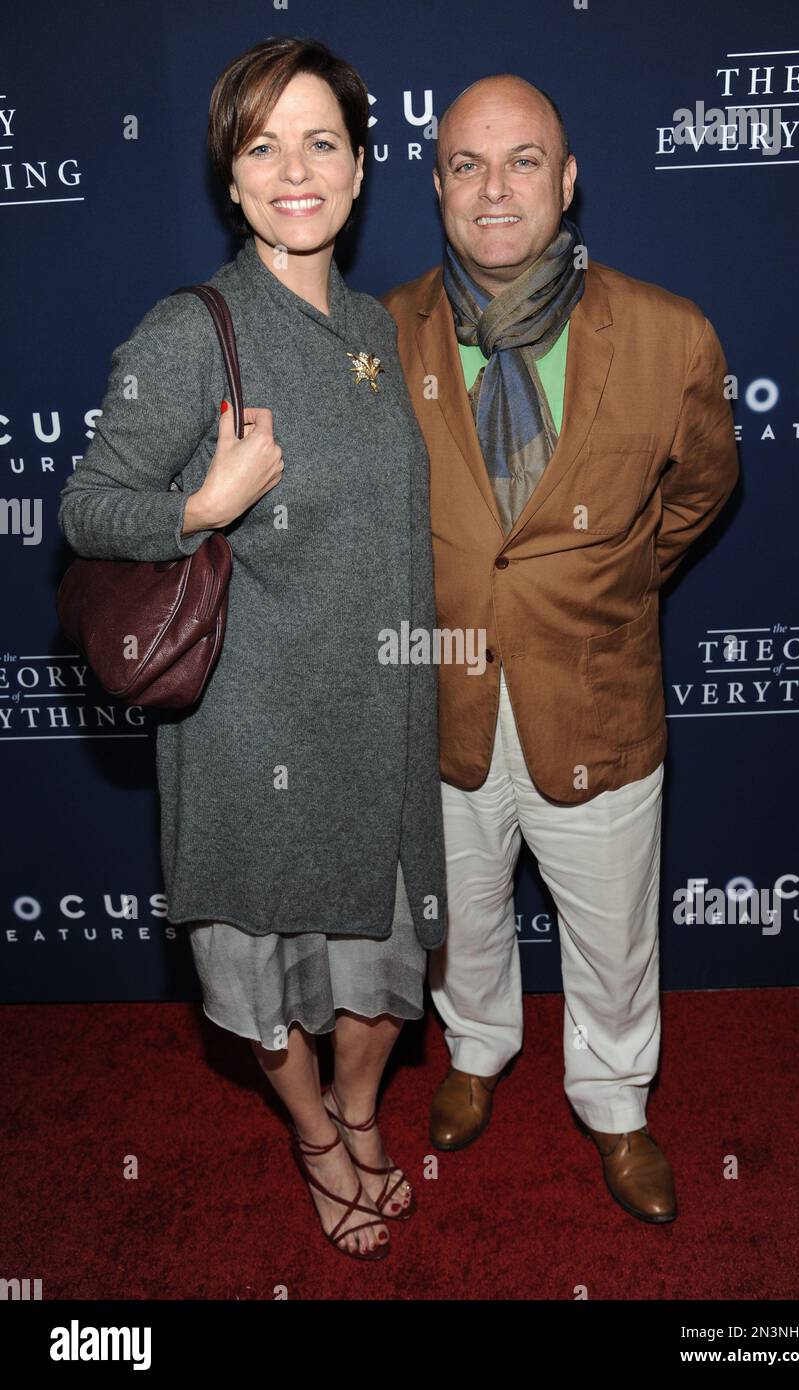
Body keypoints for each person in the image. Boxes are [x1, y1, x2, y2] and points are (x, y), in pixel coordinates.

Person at [58, 37, 447, 1260]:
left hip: (378, 728)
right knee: (268, 991)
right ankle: (316, 1138)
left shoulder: (377, 326)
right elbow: (85, 506)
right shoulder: (193, 330)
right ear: (231, 178)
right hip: (251, 737)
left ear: (357, 167)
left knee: (382, 980)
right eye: (263, 145)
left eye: (321, 141)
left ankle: (355, 1106)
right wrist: (199, 506)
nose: (296, 169)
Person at [382, 73, 739, 1224]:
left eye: (523, 160)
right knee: (462, 920)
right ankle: (477, 1050)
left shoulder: (670, 335)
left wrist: (605, 585)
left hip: (596, 694)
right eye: (467, 164)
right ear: (435, 183)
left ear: (568, 179)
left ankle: (617, 1101)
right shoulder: (375, 340)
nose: (495, 189)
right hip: (440, 703)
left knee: (611, 935)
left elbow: (696, 493)